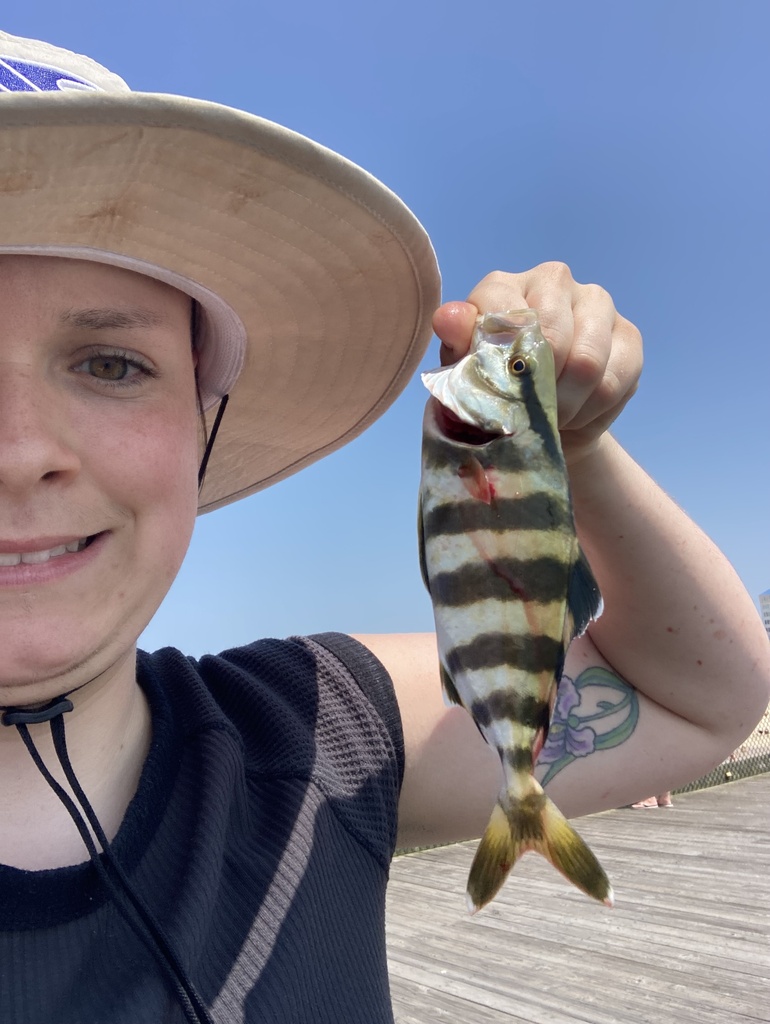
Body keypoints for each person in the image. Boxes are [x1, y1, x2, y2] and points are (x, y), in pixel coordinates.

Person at [0, 28, 768, 1024]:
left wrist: (562, 440)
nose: (18, 452)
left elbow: (699, 702)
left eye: (111, 364)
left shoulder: (321, 727)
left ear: (203, 422)